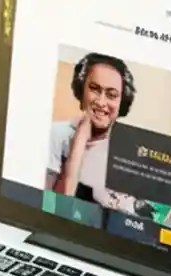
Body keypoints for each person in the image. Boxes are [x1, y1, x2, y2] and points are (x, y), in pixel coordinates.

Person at [46, 52, 144, 213]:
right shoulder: (55, 134)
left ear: (122, 102)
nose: (101, 102)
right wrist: (79, 142)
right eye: (94, 89)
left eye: (111, 95)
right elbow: (55, 210)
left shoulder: (128, 150)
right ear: (81, 89)